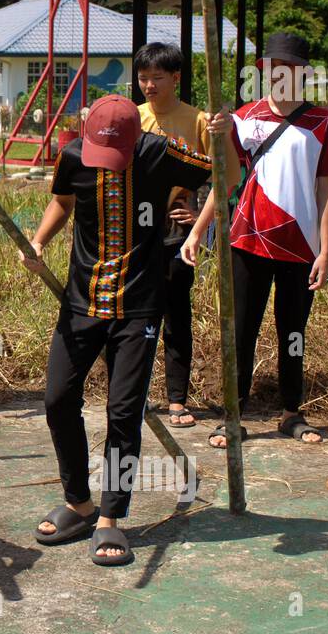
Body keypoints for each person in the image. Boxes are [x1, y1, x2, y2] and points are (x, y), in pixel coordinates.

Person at [20, 95, 211, 567]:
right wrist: (39, 241)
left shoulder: (160, 151)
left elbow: (220, 173)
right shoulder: (71, 156)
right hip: (82, 300)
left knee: (122, 410)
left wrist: (196, 226)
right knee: (58, 399)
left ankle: (110, 518)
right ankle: (78, 503)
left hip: (140, 306)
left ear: (136, 138)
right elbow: (62, 203)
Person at [182, 32, 328, 448]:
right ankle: (233, 414)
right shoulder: (242, 117)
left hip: (301, 246)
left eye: (289, 68)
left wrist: (326, 250)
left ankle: (291, 411)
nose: (280, 75)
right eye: (273, 68)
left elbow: (326, 190)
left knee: (293, 331)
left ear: (305, 74)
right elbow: (226, 181)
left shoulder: (325, 123)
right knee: (240, 330)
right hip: (246, 242)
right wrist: (198, 230)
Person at [133, 42, 238, 428]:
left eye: (157, 78)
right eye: (143, 78)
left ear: (175, 78)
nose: (148, 85)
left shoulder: (200, 121)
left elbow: (228, 178)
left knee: (176, 315)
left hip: (177, 233)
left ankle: (177, 398)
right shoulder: (133, 118)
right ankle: (135, 392)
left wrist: (198, 224)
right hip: (134, 232)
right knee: (134, 317)